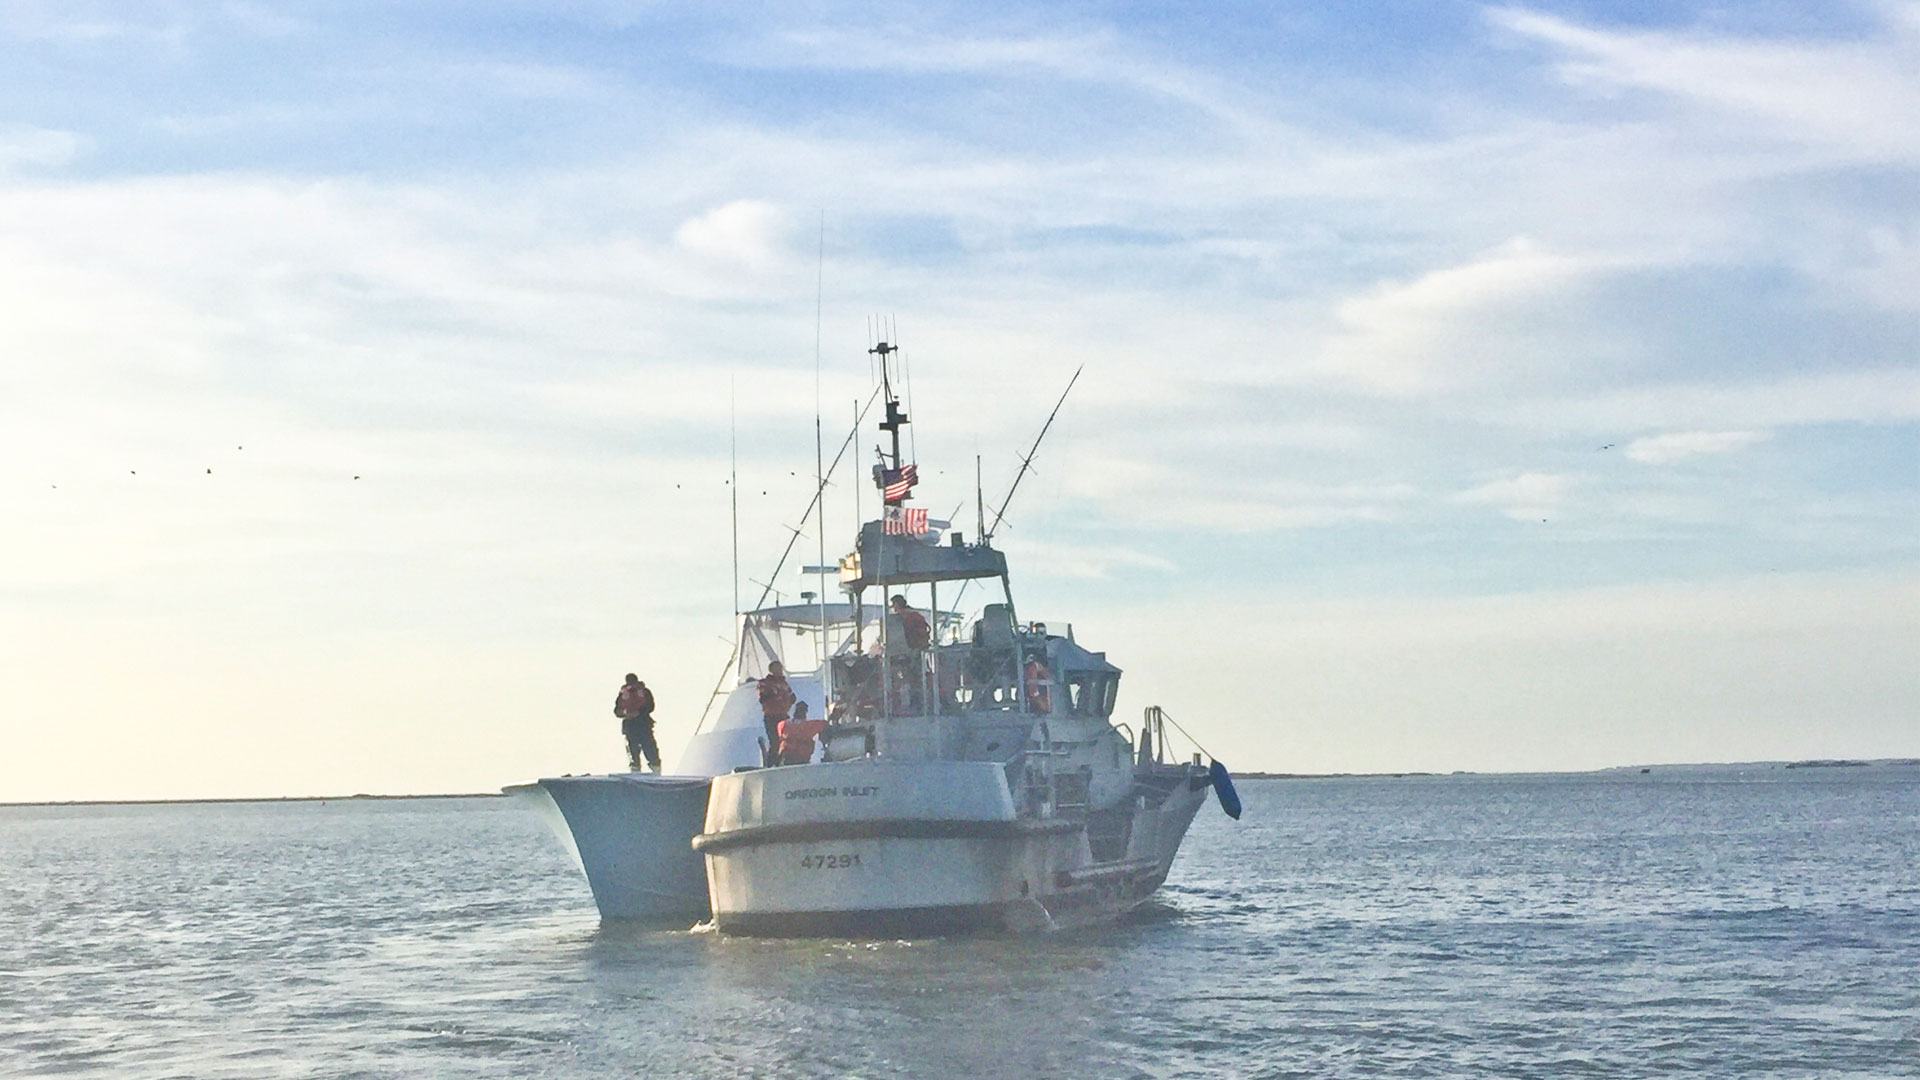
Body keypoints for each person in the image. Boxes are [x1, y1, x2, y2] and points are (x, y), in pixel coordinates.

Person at [613, 673, 661, 772]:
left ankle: (643, 766)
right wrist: (629, 713)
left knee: (642, 746)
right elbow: (650, 706)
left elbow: (617, 711)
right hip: (639, 724)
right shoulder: (643, 692)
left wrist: (632, 712)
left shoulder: (624, 693)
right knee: (641, 746)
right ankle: (651, 766)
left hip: (637, 724)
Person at [757, 660, 796, 760]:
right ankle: (772, 760)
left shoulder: (784, 684)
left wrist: (788, 701)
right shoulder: (765, 683)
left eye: (780, 668)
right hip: (771, 716)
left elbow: (791, 697)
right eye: (777, 668)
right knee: (774, 741)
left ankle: (784, 759)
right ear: (771, 670)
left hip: (783, 715)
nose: (779, 670)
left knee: (786, 740)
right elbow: (763, 698)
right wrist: (776, 697)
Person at [776, 701, 826, 766]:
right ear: (805, 713)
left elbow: (780, 736)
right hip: (802, 760)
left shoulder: (783, 725)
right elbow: (824, 724)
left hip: (786, 759)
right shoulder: (808, 726)